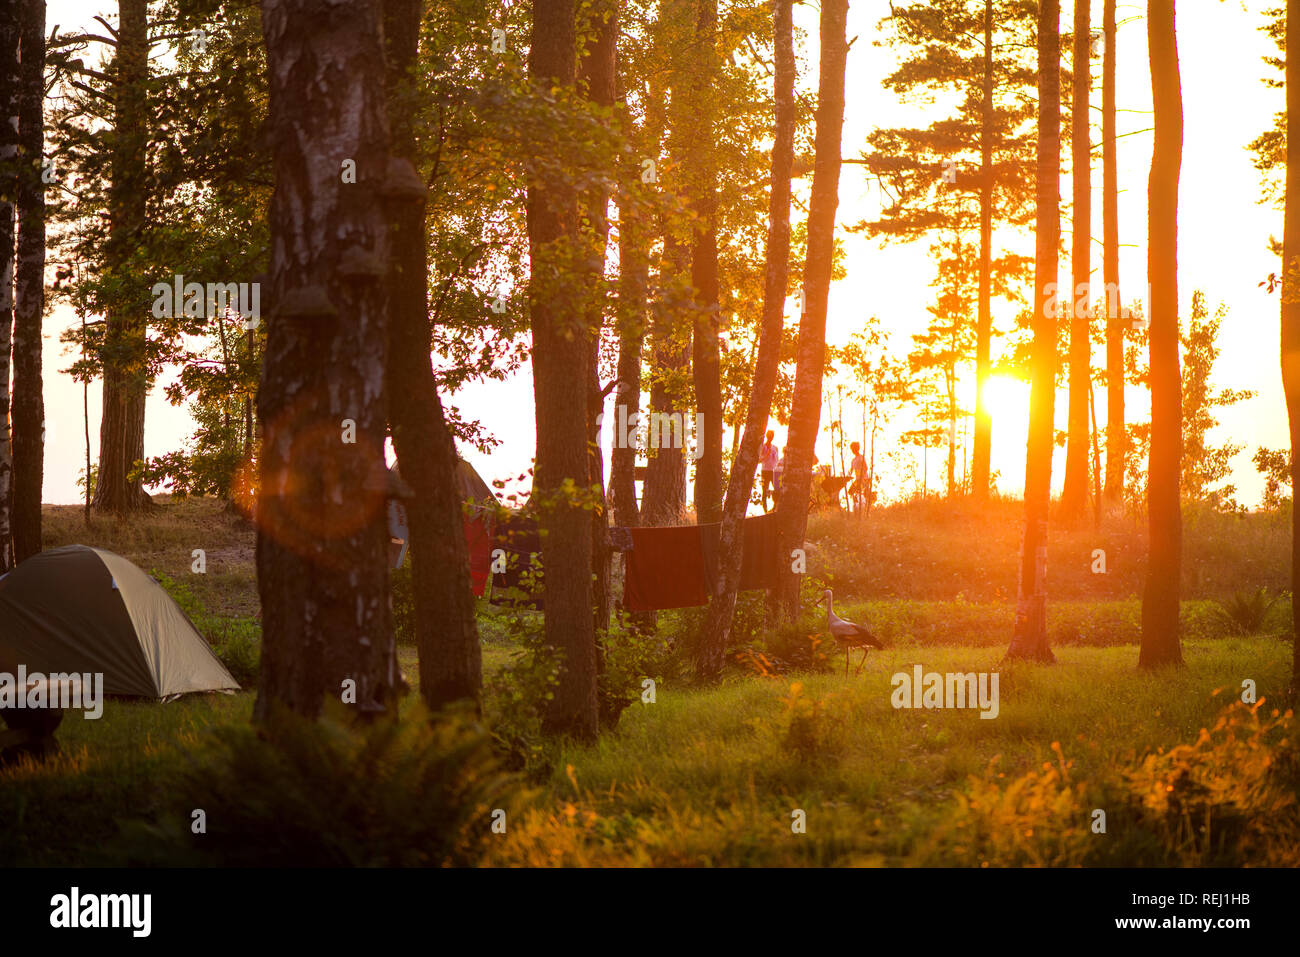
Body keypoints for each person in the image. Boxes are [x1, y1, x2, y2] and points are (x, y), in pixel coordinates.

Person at [759, 430, 779, 511]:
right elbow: (759, 460)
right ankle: (765, 509)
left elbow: (777, 460)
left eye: (772, 436)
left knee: (777, 489)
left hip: (773, 471)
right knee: (764, 490)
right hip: (765, 471)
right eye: (769, 436)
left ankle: (774, 507)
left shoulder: (775, 448)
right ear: (767, 436)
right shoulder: (763, 447)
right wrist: (766, 455)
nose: (770, 438)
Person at [849, 441, 869, 514]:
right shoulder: (853, 460)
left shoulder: (861, 458)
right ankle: (856, 509)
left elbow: (866, 468)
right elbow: (851, 471)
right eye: (852, 449)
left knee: (860, 493)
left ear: (857, 449)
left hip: (864, 479)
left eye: (854, 448)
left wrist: (862, 477)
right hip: (857, 479)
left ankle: (862, 509)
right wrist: (847, 476)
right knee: (851, 492)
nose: (853, 450)